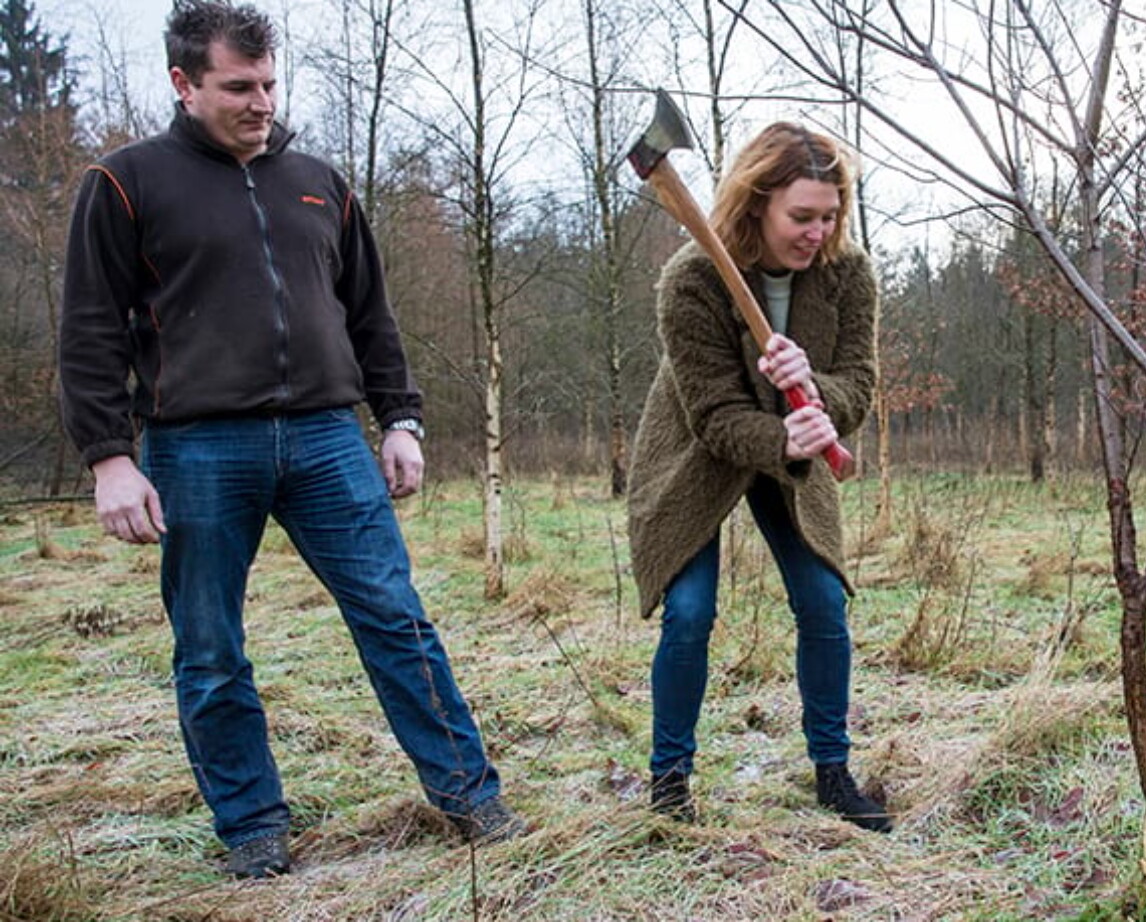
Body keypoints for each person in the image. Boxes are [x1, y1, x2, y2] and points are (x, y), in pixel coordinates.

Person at [56, 0, 520, 879]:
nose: (261, 101)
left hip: (326, 437)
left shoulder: (319, 181)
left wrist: (402, 420)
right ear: (184, 83)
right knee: (211, 646)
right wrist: (109, 457)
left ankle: (471, 798)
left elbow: (369, 315)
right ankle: (254, 827)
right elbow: (88, 330)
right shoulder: (125, 183)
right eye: (238, 86)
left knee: (396, 618)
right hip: (196, 448)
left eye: (269, 83)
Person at [627, 122, 890, 832]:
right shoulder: (692, 280)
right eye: (801, 216)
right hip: (695, 458)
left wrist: (819, 399)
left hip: (795, 458)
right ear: (756, 205)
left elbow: (859, 384)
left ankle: (833, 773)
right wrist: (787, 433)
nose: (817, 231)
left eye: (830, 214)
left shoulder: (848, 273)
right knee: (689, 612)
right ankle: (670, 785)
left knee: (823, 603)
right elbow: (713, 415)